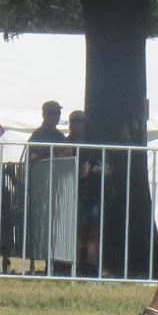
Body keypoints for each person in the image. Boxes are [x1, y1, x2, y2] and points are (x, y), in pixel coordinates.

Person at [68, 110, 101, 273]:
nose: (77, 124)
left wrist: (95, 170)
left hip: (92, 192)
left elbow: (103, 165)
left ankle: (92, 268)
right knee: (78, 232)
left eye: (80, 121)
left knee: (92, 233)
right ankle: (76, 267)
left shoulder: (93, 144)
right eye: (74, 121)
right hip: (74, 193)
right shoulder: (67, 144)